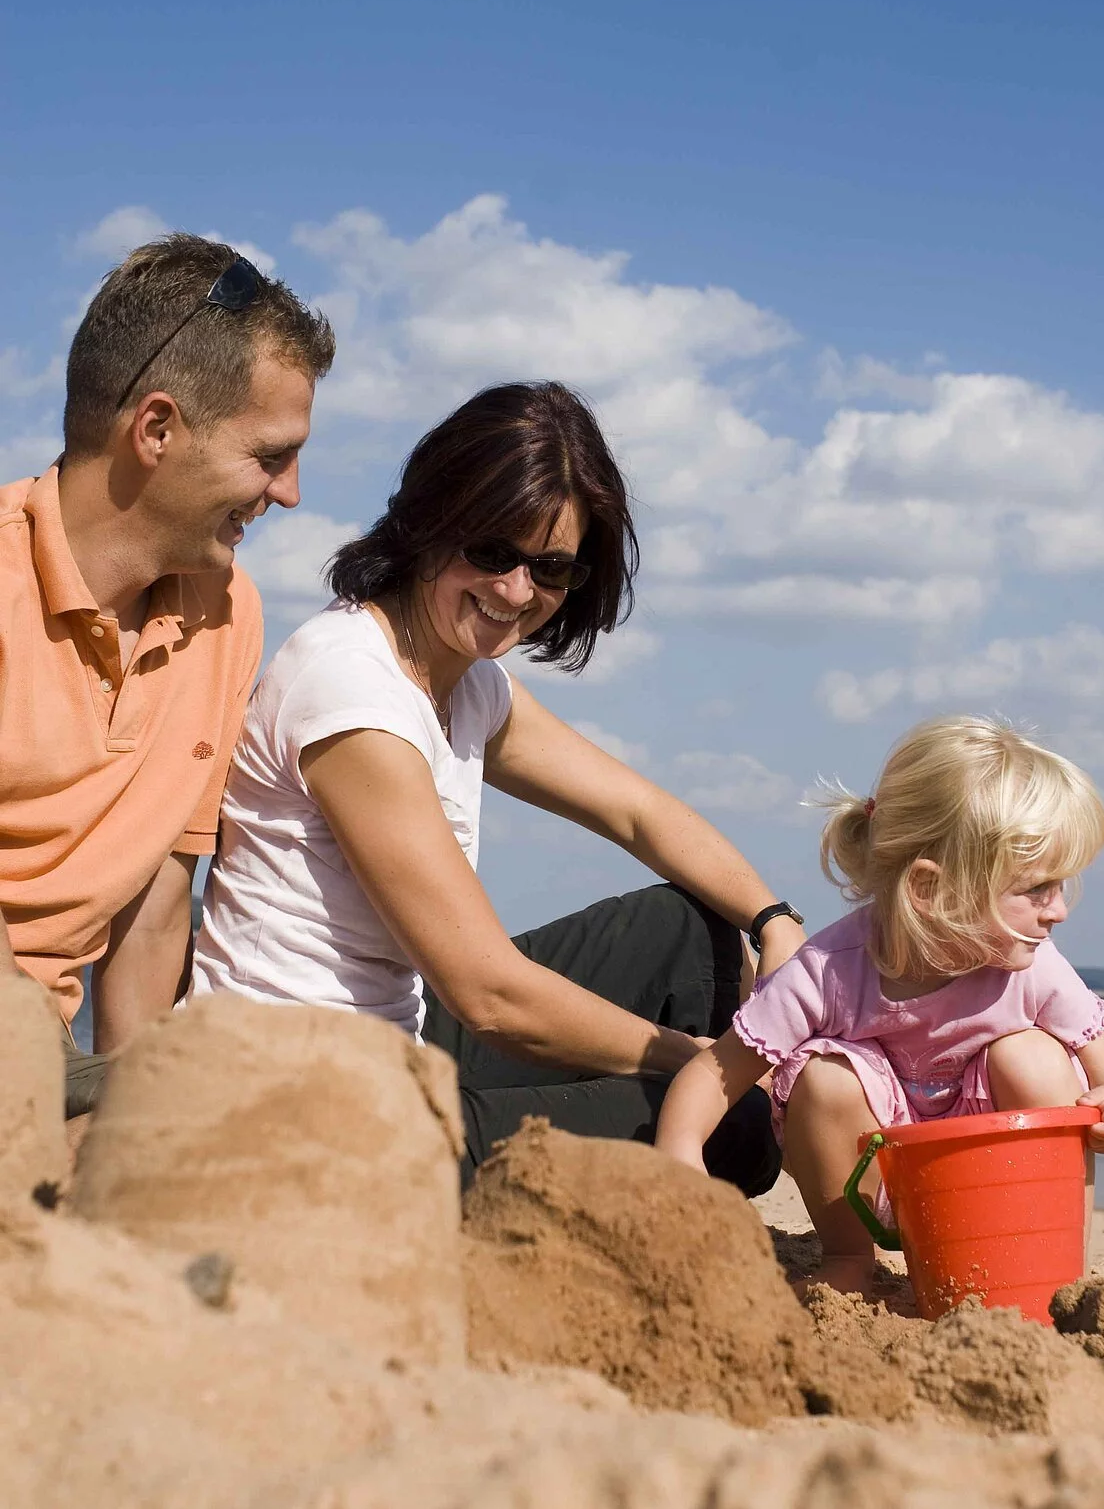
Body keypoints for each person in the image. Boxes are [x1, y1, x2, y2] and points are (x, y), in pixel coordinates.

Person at [191, 381, 807, 1192]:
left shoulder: (467, 682)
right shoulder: (352, 691)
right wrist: (707, 1066)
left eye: (550, 567)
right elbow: (487, 993)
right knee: (737, 1126)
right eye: (490, 551)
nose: (517, 591)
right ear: (428, 521)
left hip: (396, 1037)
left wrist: (774, 922)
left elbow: (638, 811)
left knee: (695, 932)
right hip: (302, 1111)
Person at [0, 233, 335, 1118]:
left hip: (41, 1072)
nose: (290, 492)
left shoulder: (231, 613)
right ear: (155, 429)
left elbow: (154, 901)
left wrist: (129, 1126)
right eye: (270, 455)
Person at [655, 716, 1104, 1291]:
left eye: (1062, 887)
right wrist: (680, 1152)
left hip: (997, 1181)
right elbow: (716, 1071)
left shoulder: (1034, 968)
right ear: (929, 889)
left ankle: (1051, 1271)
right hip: (873, 1179)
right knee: (823, 1077)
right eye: (1035, 889)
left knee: (1033, 1056)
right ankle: (850, 1260)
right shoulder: (828, 971)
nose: (1059, 910)